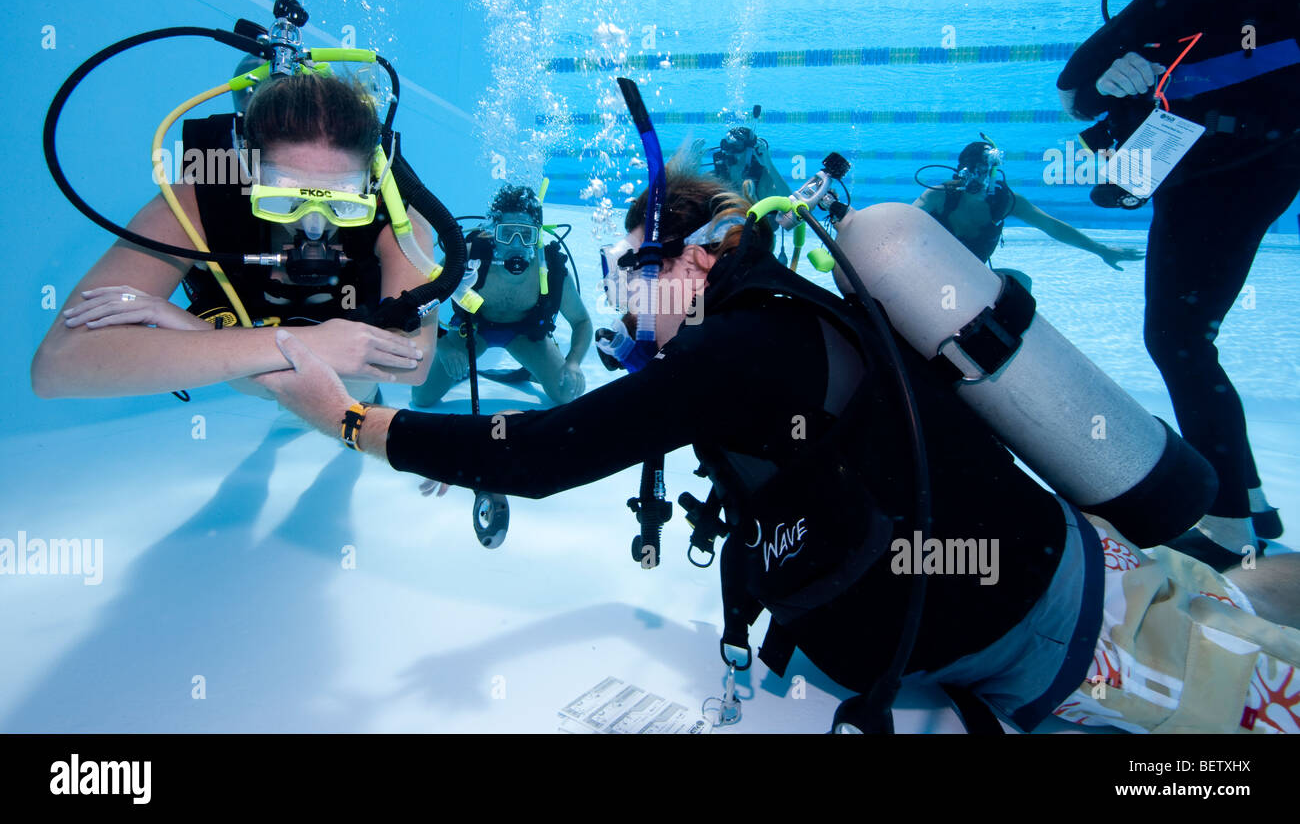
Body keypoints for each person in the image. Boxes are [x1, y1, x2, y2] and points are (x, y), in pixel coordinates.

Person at [259, 167, 1300, 734]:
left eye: (634, 270)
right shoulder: (799, 317)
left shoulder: (742, 345)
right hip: (1081, 563)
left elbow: (539, 452)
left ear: (702, 254)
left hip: (1072, 654)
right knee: (1248, 611)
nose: (625, 301)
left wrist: (351, 422)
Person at [1057, 0, 1300, 562]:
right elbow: (1159, 46)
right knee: (1185, 334)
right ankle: (1248, 496)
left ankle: (1228, 530)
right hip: (1237, 159)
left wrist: (1084, 89)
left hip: (1239, 163)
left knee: (1176, 336)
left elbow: (1116, 45)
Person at [31, 69, 433, 402]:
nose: (315, 226)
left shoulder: (399, 215)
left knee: (361, 411)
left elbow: (412, 366)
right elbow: (57, 366)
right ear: (247, 167)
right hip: (315, 363)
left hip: (350, 392)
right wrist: (307, 344)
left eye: (343, 203)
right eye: (284, 197)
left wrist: (199, 334)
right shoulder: (199, 197)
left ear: (371, 179)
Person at [411, 183, 592, 407]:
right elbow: (420, 305)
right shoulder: (467, 258)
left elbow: (582, 321)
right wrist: (444, 347)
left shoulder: (550, 268)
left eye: (526, 234)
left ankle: (531, 369)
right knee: (421, 397)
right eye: (506, 234)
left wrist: (573, 362)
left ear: (538, 235)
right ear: (491, 232)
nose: (517, 244)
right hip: (472, 333)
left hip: (526, 336)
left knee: (566, 393)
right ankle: (469, 370)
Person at [914, 138, 1144, 288]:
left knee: (1020, 284)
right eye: (974, 172)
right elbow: (901, 221)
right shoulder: (940, 196)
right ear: (961, 173)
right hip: (924, 274)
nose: (980, 180)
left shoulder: (1006, 202)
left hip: (968, 280)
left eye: (986, 173)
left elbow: (1052, 226)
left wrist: (1100, 249)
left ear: (994, 174)